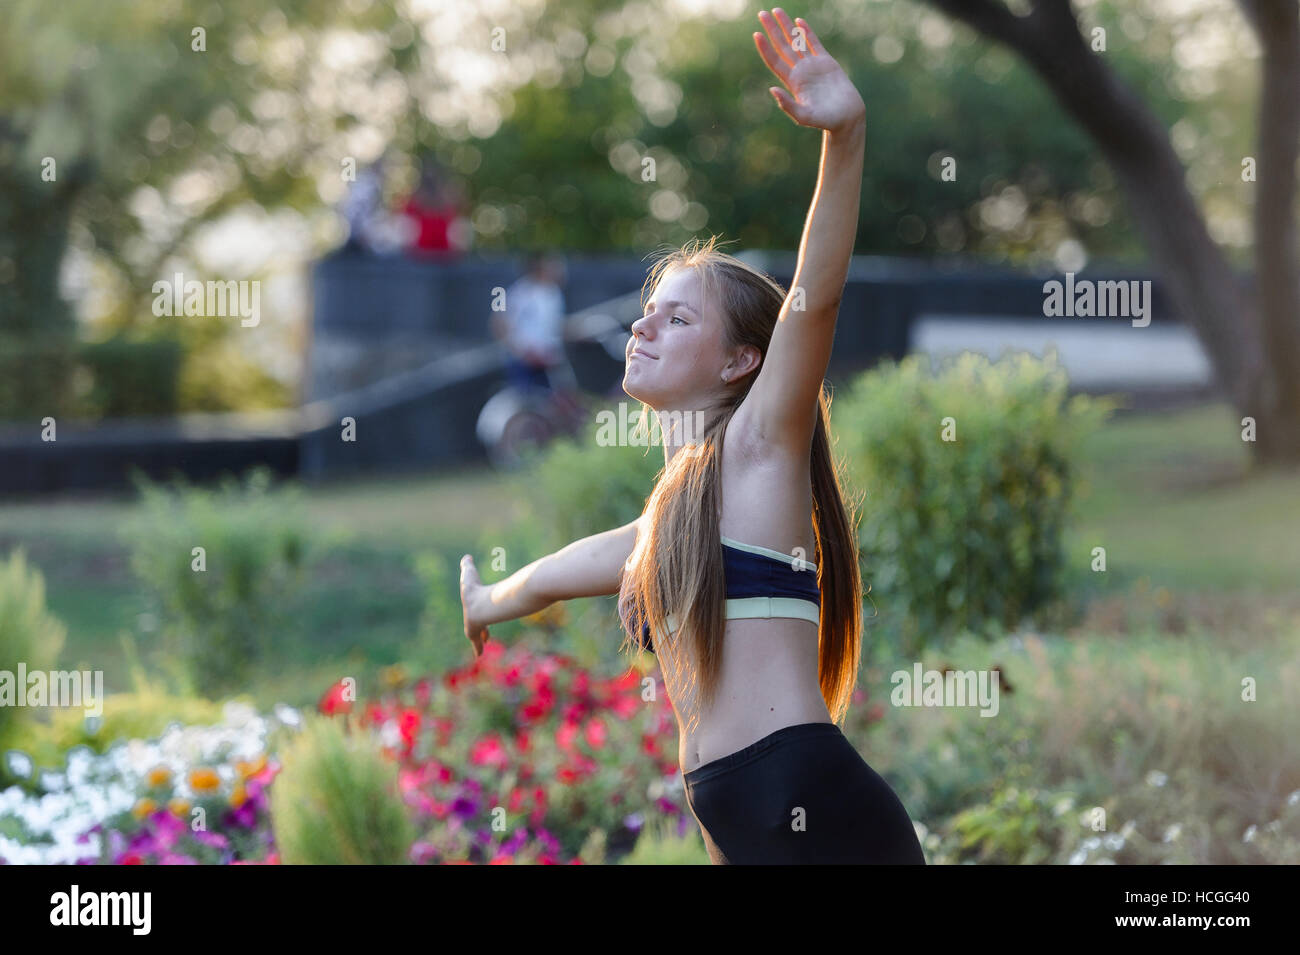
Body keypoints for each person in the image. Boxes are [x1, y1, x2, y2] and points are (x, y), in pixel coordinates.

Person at [459, 9, 924, 865]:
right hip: (746, 820)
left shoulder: (759, 450)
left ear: (744, 359)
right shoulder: (678, 515)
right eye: (645, 312)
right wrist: (490, 601)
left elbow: (812, 299)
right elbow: (565, 571)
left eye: (676, 318)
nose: (644, 327)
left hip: (812, 810)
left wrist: (845, 136)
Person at [492, 253, 568, 396]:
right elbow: (499, 323)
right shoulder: (518, 292)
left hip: (547, 363)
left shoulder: (554, 294)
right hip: (522, 363)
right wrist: (522, 351)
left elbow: (553, 327)